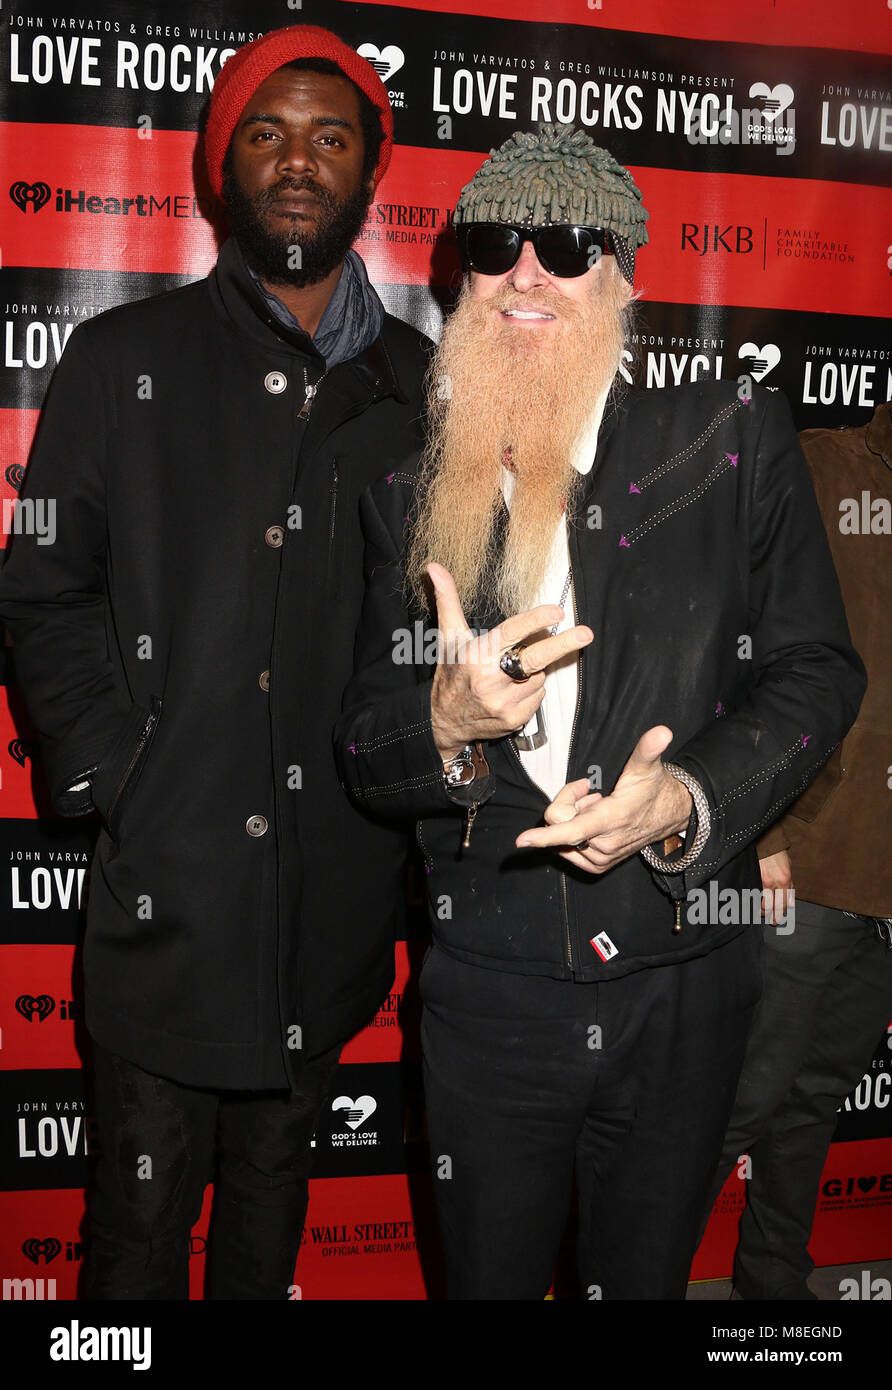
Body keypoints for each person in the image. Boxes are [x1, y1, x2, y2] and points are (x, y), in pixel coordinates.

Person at [334, 123, 866, 1300]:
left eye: (566, 245)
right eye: (494, 243)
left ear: (622, 273)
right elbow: (361, 748)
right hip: (489, 990)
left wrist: (685, 798)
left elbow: (817, 673)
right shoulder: (399, 490)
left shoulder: (727, 442)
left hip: (685, 977)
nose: (526, 271)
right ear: (461, 274)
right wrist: (442, 721)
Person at [0, 24, 429, 1300]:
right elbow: (43, 583)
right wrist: (115, 771)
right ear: (219, 165)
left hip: (330, 912)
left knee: (266, 1233)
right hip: (165, 909)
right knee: (128, 1250)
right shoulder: (122, 361)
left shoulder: (420, 388)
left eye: (330, 137)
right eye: (268, 131)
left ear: (367, 174)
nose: (299, 161)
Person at [701, 401, 892, 1301]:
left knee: (815, 1097)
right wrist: (763, 826)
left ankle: (772, 1288)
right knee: (736, 1102)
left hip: (883, 882)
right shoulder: (820, 467)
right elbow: (734, 641)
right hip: (805, 855)